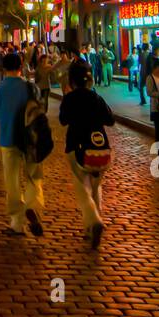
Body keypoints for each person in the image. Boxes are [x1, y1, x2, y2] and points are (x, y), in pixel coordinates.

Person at [59, 61, 116, 248]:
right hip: (100, 147)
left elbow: (63, 120)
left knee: (82, 188)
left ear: (71, 80)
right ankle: (91, 224)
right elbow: (110, 120)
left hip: (77, 146)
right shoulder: (96, 97)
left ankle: (93, 220)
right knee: (96, 185)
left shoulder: (70, 98)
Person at [0, 51, 44, 237]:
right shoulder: (30, 87)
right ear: (21, 67)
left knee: (11, 180)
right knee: (33, 175)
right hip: (31, 139)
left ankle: (17, 222)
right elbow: (39, 107)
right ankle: (32, 204)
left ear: (4, 68)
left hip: (8, 138)